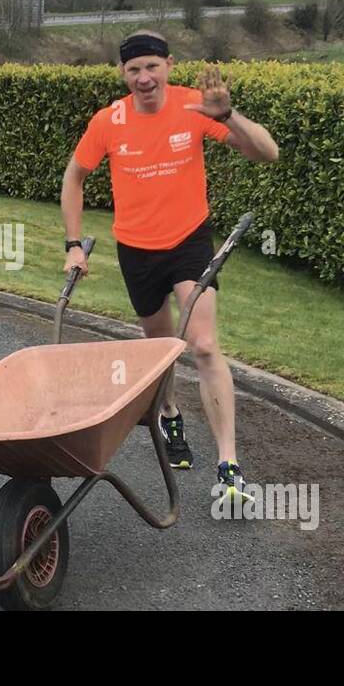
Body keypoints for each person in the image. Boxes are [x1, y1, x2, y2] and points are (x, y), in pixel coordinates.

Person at [60, 30, 279, 504]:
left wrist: (231, 116)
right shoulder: (108, 121)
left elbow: (267, 153)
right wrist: (73, 244)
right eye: (134, 69)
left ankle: (229, 467)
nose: (144, 78)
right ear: (123, 73)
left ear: (169, 66)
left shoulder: (195, 107)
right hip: (136, 250)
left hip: (189, 243)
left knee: (202, 344)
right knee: (160, 350)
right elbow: (74, 176)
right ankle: (170, 413)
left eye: (152, 67)